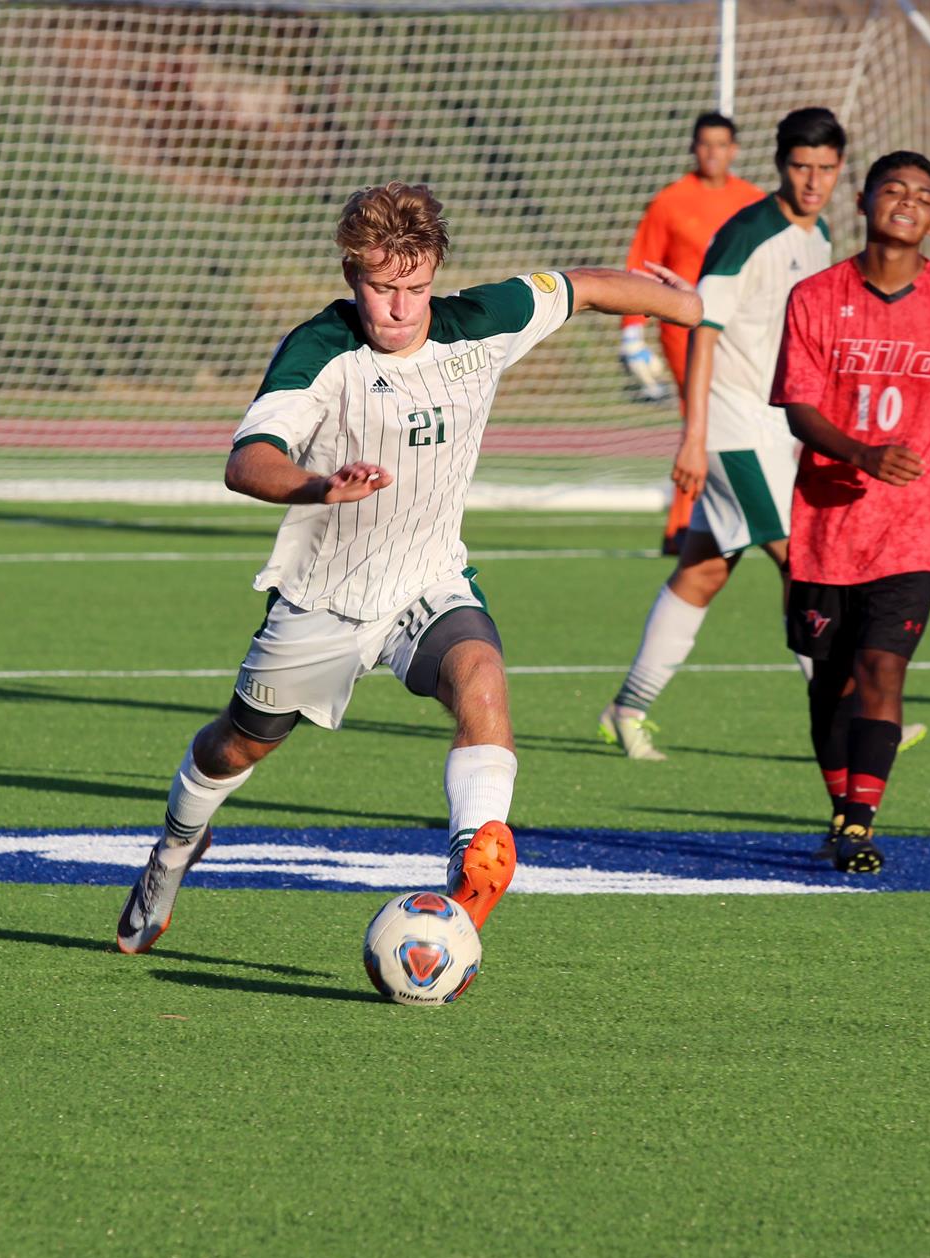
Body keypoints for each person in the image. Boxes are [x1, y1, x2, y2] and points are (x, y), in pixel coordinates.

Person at [116, 181, 703, 954]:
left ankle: (472, 863)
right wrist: (317, 485)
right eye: (383, 288)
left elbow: (585, 288)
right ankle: (175, 847)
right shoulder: (322, 350)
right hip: (327, 595)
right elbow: (247, 460)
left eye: (416, 288)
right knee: (239, 743)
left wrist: (696, 309)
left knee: (482, 678)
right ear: (353, 276)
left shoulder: (480, 323)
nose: (400, 307)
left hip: (429, 580)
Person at [770, 150, 930, 873]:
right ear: (864, 201)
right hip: (826, 523)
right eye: (895, 189)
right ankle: (837, 806)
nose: (908, 201)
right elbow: (797, 407)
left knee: (884, 668)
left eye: (923, 194)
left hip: (912, 525)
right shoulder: (815, 297)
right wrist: (860, 454)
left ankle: (859, 823)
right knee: (831, 681)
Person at [599, 106, 843, 761]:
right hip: (732, 426)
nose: (813, 180)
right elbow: (702, 330)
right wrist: (693, 435)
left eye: (825, 168)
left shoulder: (820, 231)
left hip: (773, 426)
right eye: (801, 166)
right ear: (779, 165)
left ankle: (627, 708)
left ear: (839, 169)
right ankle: (847, 718)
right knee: (805, 564)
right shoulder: (748, 230)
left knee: (703, 570)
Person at [618, 112, 765, 553]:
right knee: (699, 414)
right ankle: (683, 526)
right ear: (694, 148)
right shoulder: (671, 201)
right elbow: (641, 264)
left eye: (721, 144)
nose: (713, 153)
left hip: (741, 332)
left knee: (742, 417)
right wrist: (632, 334)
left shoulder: (754, 202)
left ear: (734, 149)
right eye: (705, 144)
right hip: (685, 329)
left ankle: (735, 517)